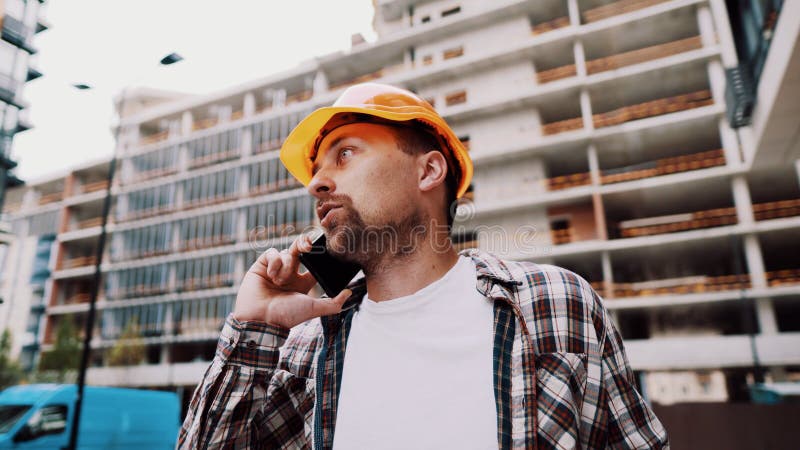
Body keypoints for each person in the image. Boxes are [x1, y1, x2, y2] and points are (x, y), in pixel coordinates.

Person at [177, 83, 668, 449]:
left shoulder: (556, 306)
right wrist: (254, 329)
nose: (317, 184)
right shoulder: (304, 348)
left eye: (345, 154)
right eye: (317, 170)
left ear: (429, 170)